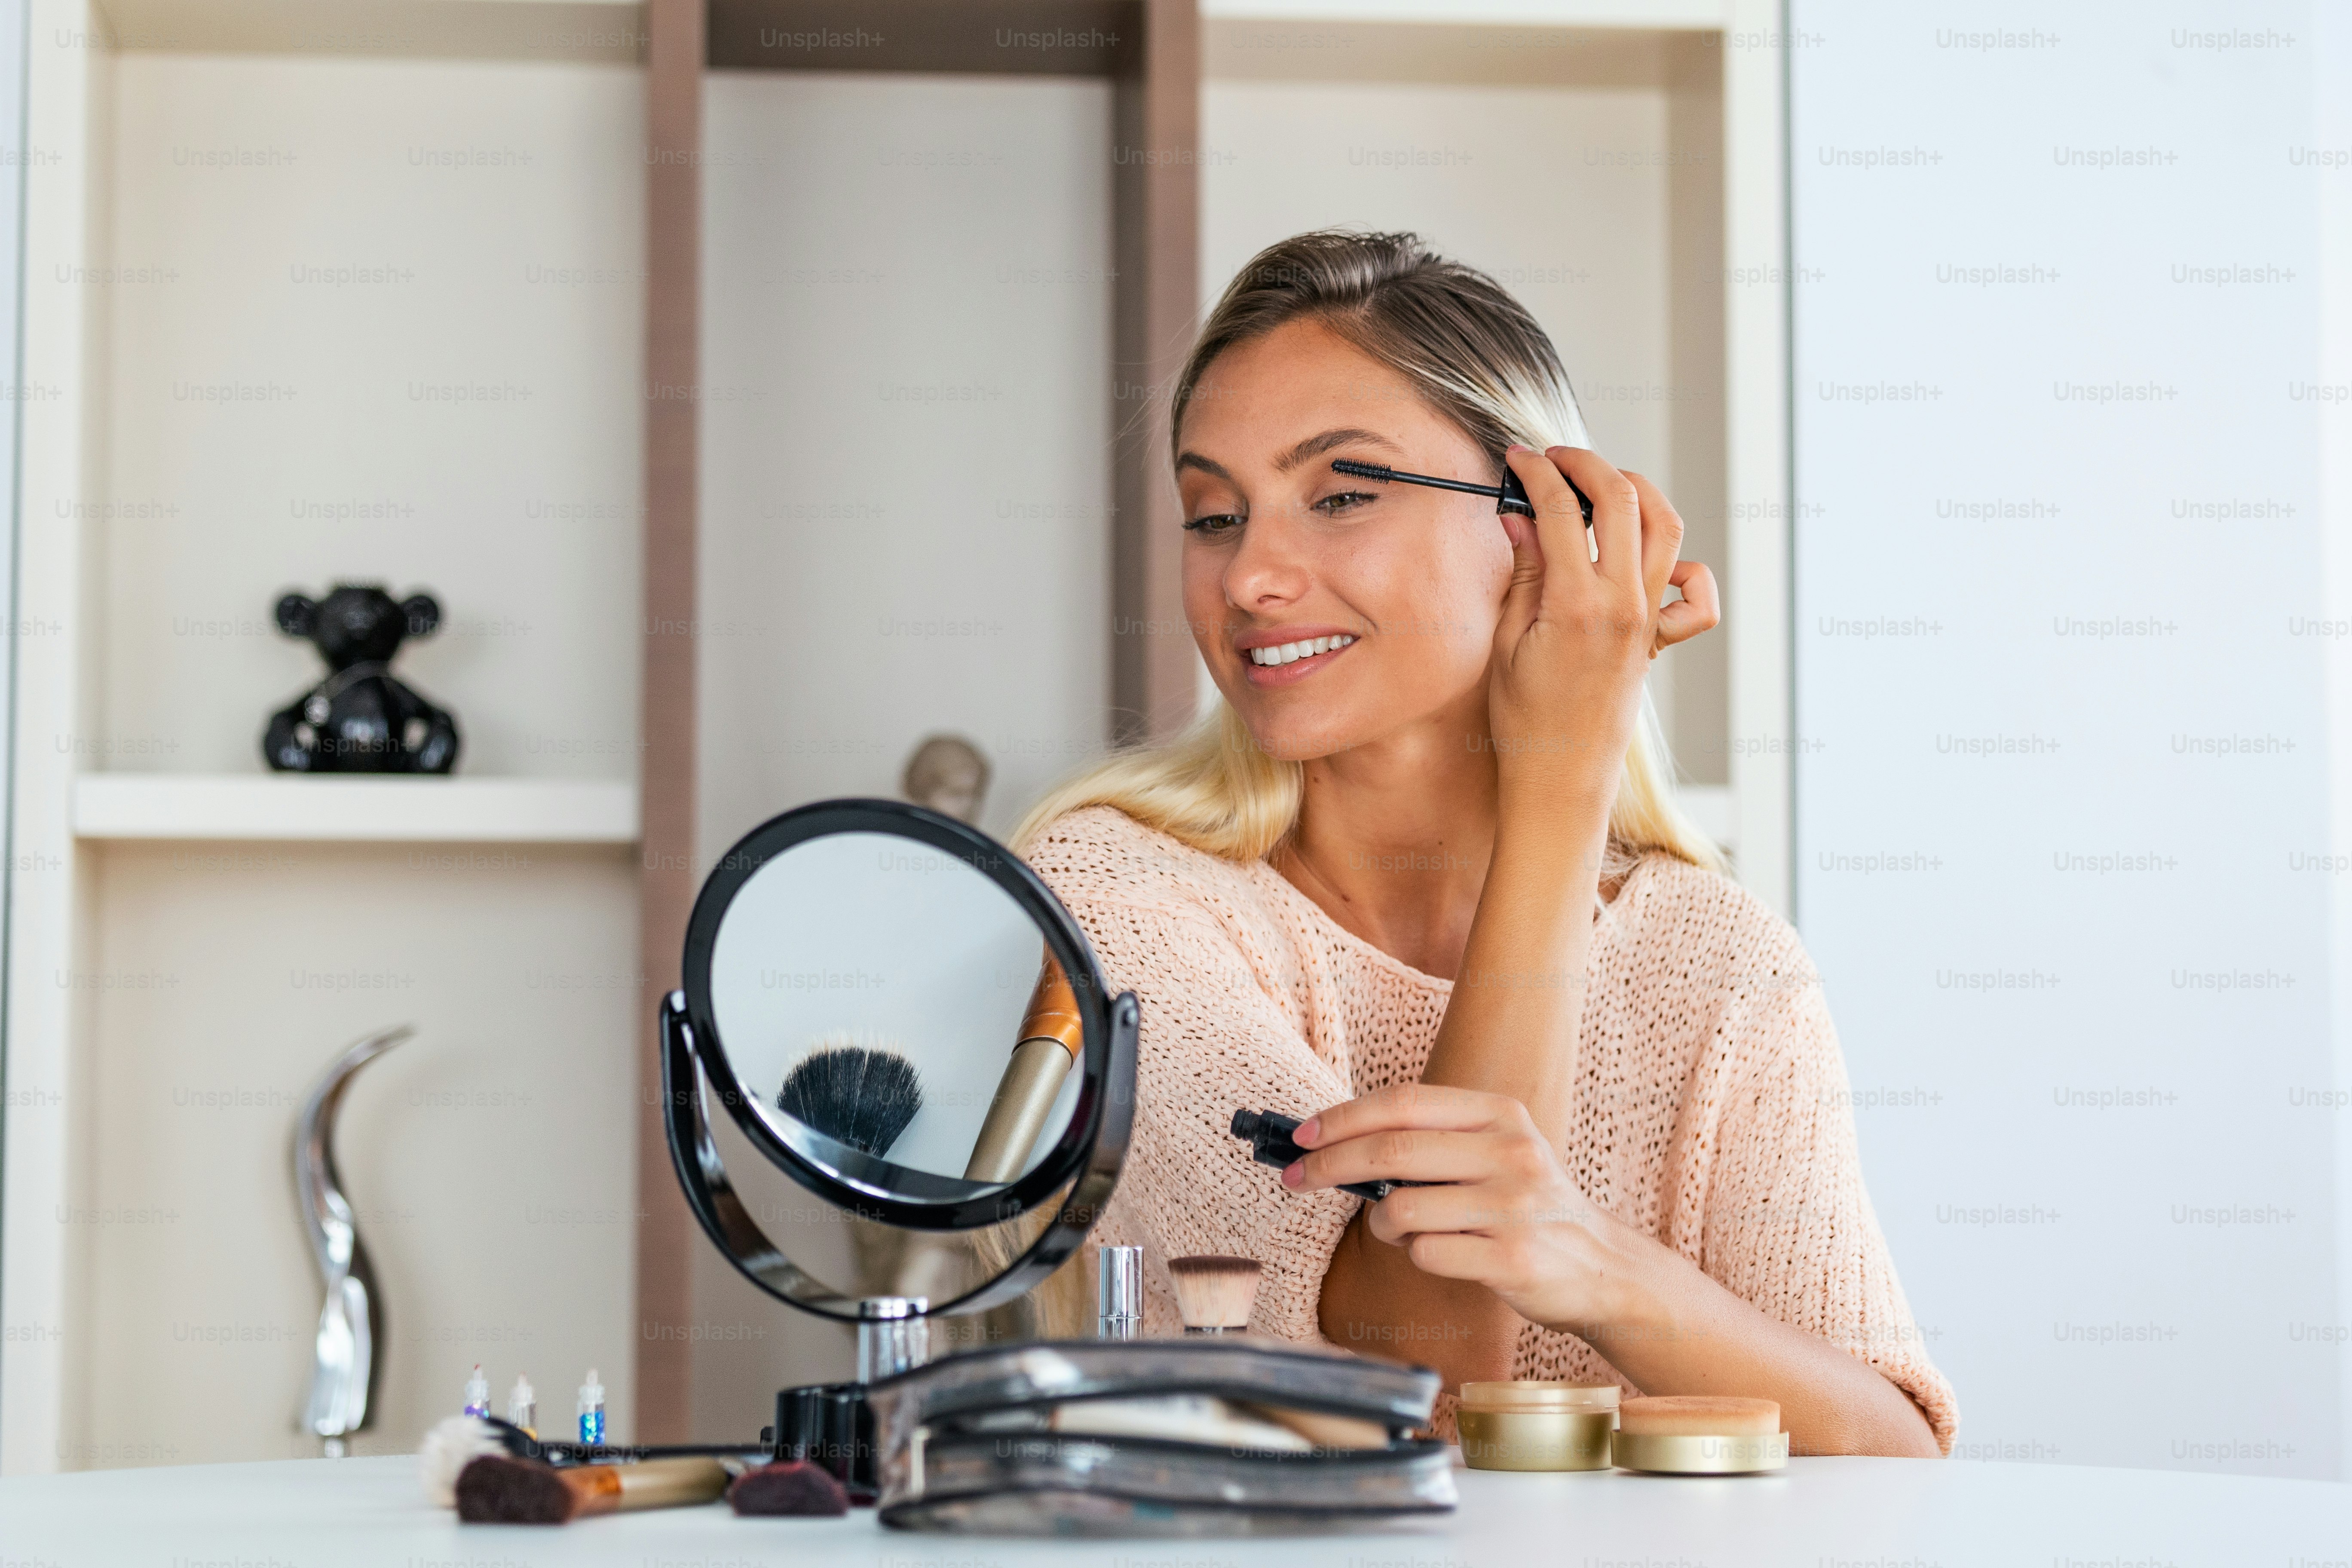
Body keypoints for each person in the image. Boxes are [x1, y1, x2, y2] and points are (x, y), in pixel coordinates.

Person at [1014, 230, 1953, 1456]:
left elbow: (1895, 1466)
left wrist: (1599, 1267)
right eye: (1212, 514)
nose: (1250, 577)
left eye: (1342, 494)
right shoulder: (1116, 897)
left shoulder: (1716, 961)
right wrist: (1561, 788)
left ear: (1540, 522)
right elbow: (1416, 1371)